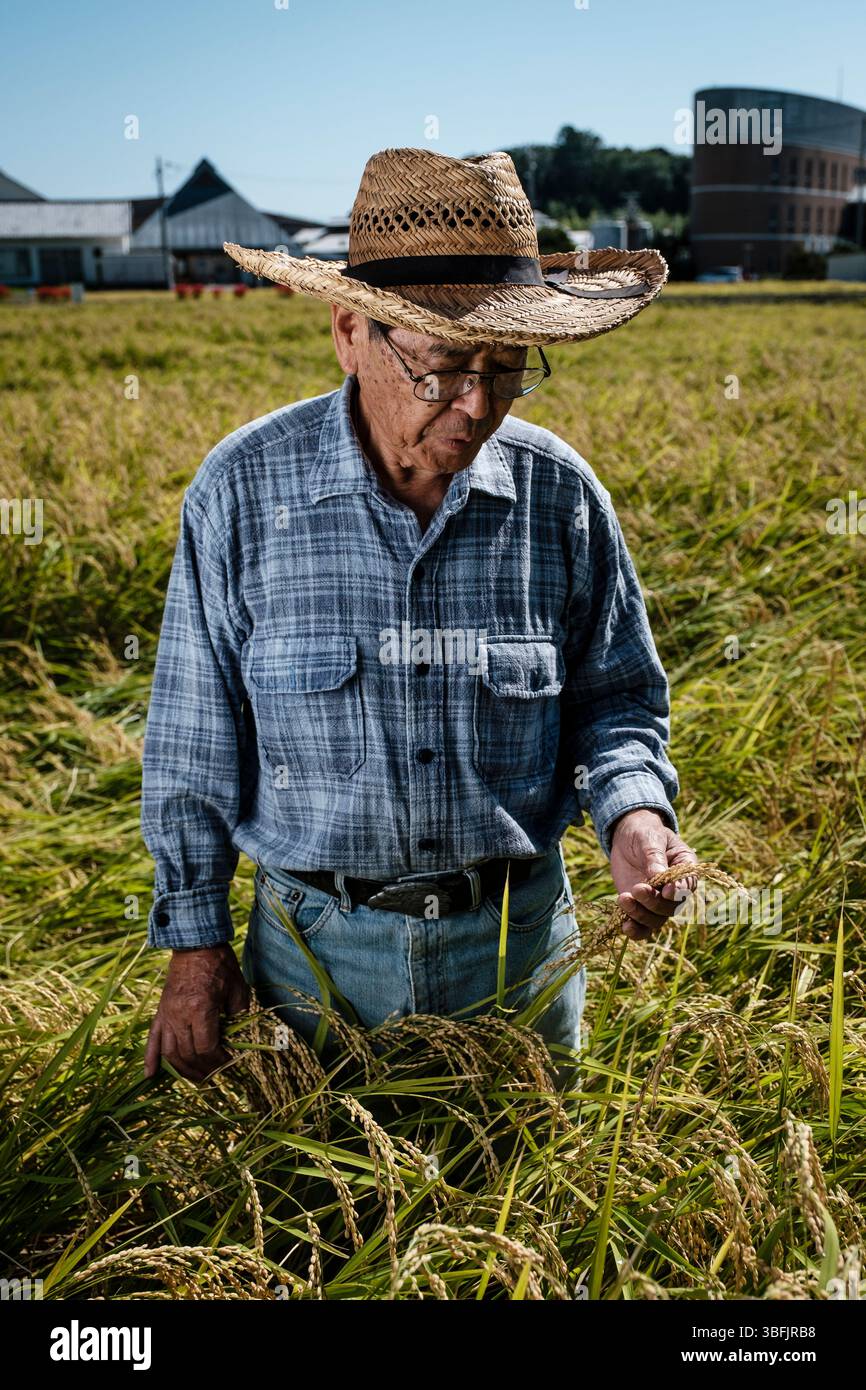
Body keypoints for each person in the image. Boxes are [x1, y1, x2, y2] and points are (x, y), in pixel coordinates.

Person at [141, 146, 697, 1087]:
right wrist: (195, 950)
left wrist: (633, 815)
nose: (477, 405)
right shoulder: (242, 493)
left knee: (527, 1202)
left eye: (507, 368)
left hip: (520, 948)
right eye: (442, 368)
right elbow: (195, 742)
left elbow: (617, 696)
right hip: (315, 961)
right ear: (348, 331)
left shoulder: (558, 496)